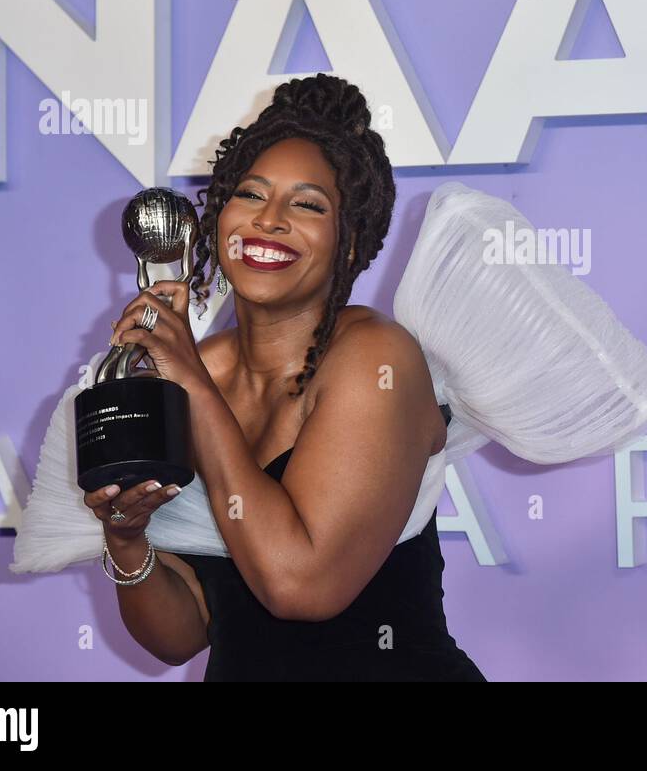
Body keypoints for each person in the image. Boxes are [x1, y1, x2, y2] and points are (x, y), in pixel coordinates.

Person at [81, 73, 486, 681]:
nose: (268, 220)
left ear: (349, 245)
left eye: (307, 204)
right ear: (218, 218)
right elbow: (183, 633)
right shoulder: (198, 368)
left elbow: (301, 586)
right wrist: (128, 540)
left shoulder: (378, 357)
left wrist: (190, 383)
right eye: (250, 195)